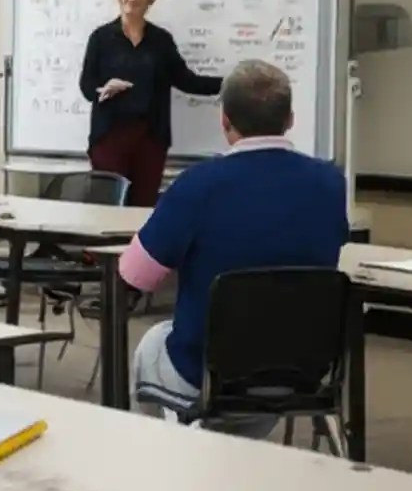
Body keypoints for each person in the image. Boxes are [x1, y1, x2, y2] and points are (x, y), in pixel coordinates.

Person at [118, 60, 348, 438]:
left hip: (210, 369)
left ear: (224, 121)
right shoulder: (330, 182)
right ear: (290, 119)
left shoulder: (197, 185)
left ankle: (164, 460)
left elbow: (135, 275)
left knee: (152, 343)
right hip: (304, 368)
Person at [79, 0, 223, 207]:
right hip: (109, 137)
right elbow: (86, 86)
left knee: (143, 208)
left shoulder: (161, 40)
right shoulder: (101, 38)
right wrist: (103, 88)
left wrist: (231, 83)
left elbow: (186, 80)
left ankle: (138, 248)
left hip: (150, 138)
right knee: (105, 207)